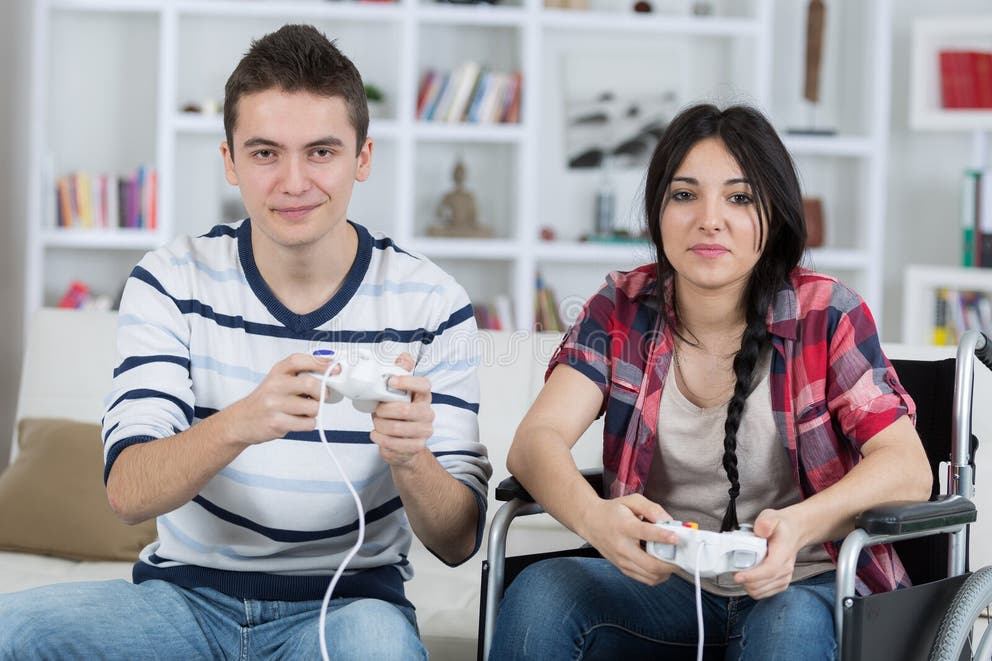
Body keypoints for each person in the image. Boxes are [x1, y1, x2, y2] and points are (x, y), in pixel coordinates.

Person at [0, 24, 490, 660]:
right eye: (264, 153)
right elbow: (127, 493)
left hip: (346, 610)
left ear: (363, 158)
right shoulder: (170, 280)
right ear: (230, 161)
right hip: (183, 604)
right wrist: (241, 422)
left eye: (321, 152)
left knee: (380, 650)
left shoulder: (433, 302)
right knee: (14, 631)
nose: (293, 181)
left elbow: (457, 543)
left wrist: (411, 459)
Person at [489, 103, 932, 660]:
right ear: (657, 211)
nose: (709, 219)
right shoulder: (620, 309)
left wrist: (798, 527)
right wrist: (593, 517)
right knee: (543, 592)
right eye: (684, 194)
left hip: (808, 579)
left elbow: (907, 469)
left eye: (739, 198)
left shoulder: (827, 314)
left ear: (774, 215)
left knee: (788, 624)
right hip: (667, 583)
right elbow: (536, 441)